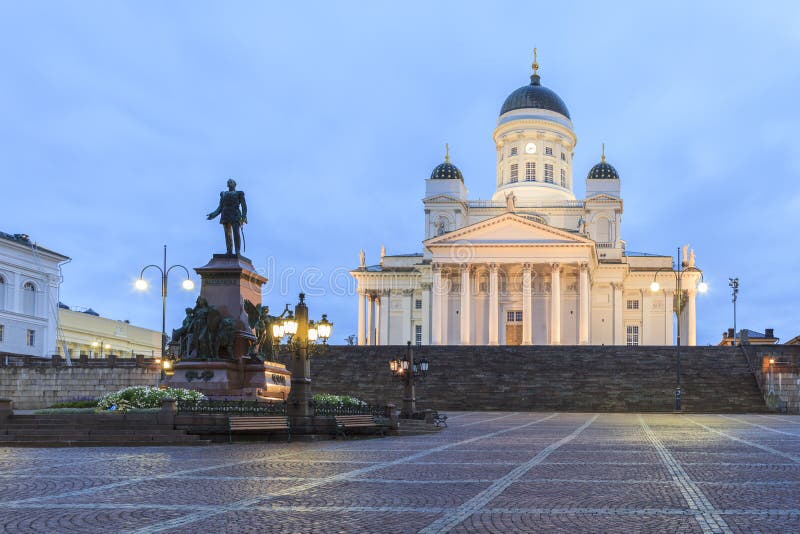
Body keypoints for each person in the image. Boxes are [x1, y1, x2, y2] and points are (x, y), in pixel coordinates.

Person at [207, 179, 247, 255]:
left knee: (236, 233)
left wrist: (243, 217)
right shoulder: (223, 194)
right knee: (227, 234)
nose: (229, 183)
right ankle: (229, 250)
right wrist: (213, 214)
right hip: (225, 214)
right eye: (228, 182)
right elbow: (220, 207)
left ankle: (237, 251)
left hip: (235, 214)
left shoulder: (239, 193)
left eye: (231, 182)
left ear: (235, 184)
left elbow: (244, 206)